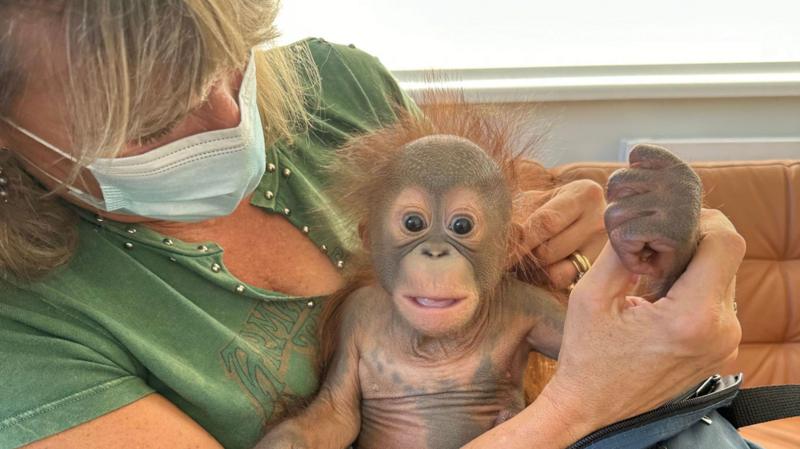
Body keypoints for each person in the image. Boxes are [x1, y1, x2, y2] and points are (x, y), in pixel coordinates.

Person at [0, 2, 743, 449]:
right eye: (149, 123)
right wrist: (584, 405)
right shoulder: (23, 329)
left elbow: (586, 338)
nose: (229, 118)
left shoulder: (338, 89)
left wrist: (617, 266)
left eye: (231, 63)